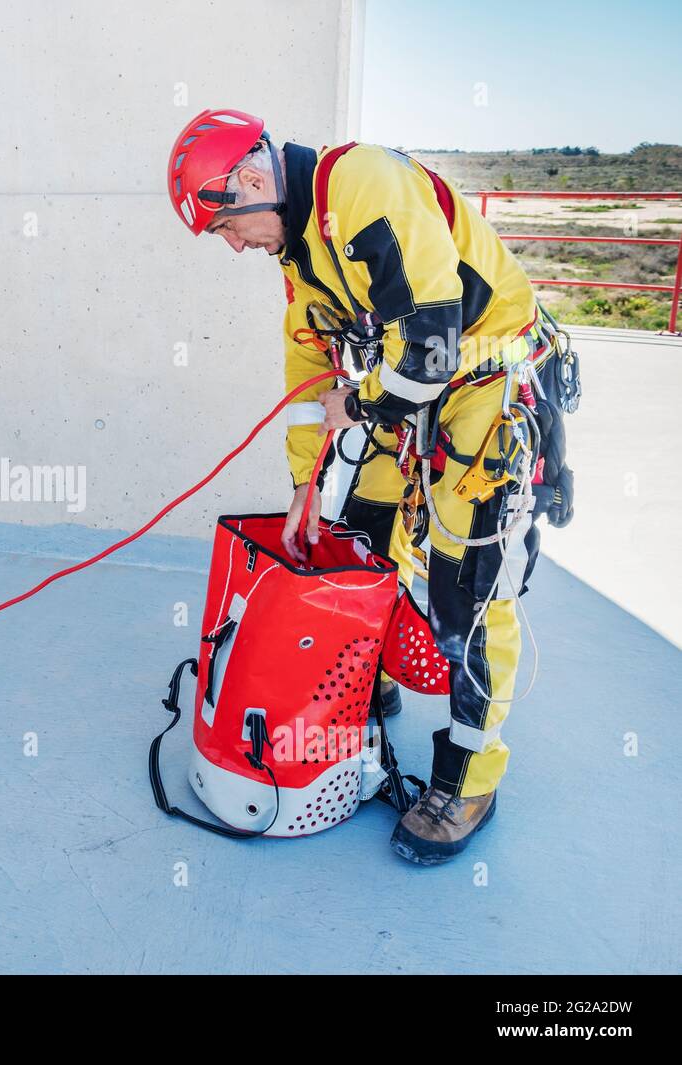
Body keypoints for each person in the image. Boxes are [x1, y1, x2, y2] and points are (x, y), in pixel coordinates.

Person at [166, 109, 560, 864]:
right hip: (406, 387)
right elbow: (312, 379)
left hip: (483, 381)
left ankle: (470, 779)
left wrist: (366, 406)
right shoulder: (301, 260)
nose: (231, 245)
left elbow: (437, 342)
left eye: (224, 227)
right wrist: (306, 487)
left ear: (253, 180)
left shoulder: (363, 183)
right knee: (356, 533)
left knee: (465, 587)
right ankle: (363, 683)